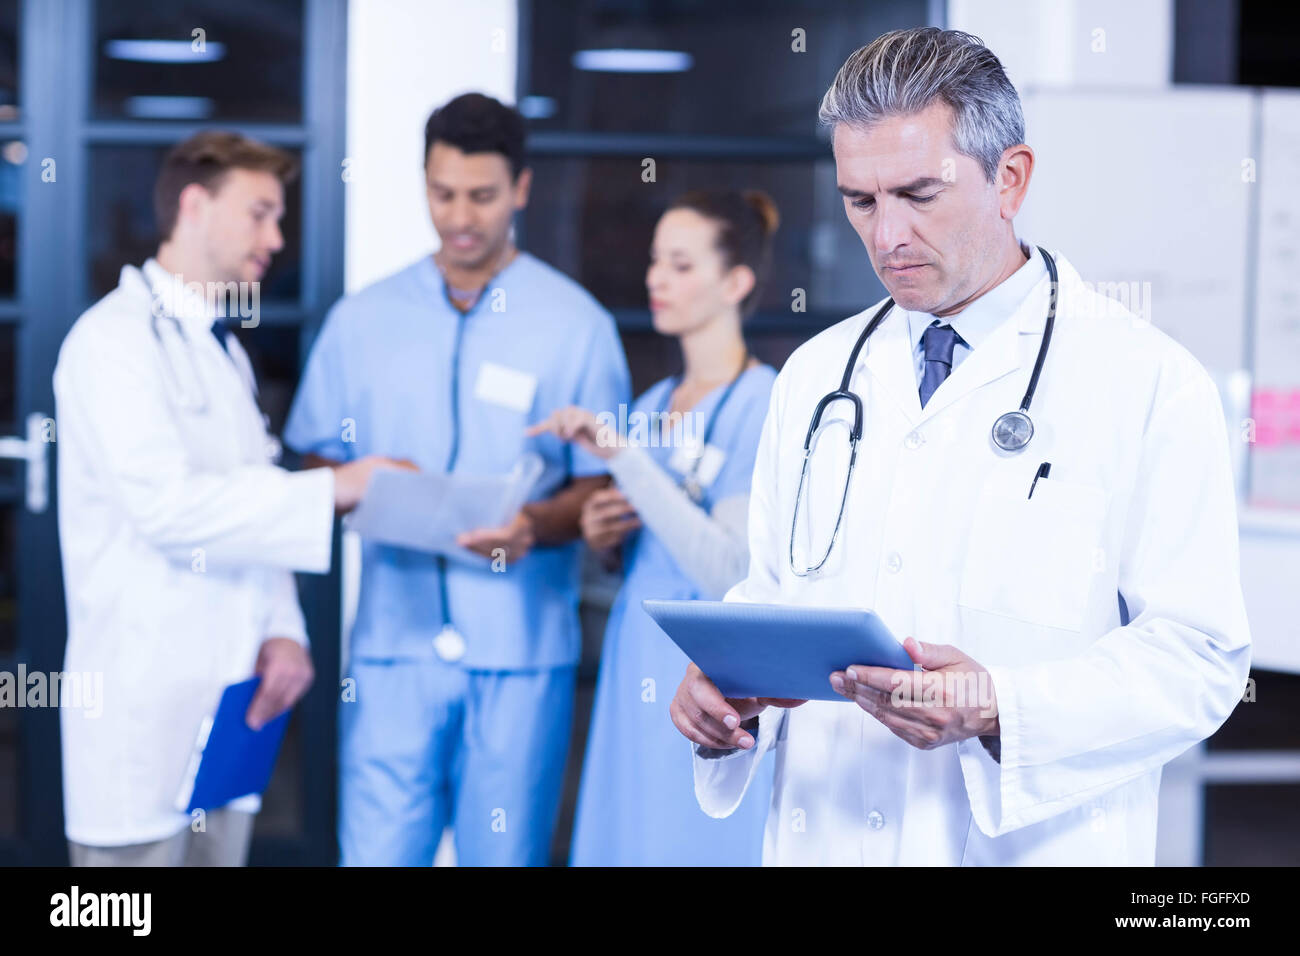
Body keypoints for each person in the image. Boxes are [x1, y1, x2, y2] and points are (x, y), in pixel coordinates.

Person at [670, 27, 1252, 866]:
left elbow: (1199, 659)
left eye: (918, 193)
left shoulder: (1147, 381)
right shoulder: (816, 376)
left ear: (1009, 177)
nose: (887, 236)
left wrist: (1000, 708)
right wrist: (726, 699)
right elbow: (773, 590)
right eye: (861, 201)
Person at [283, 93, 630, 867]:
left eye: (482, 195)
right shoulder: (363, 319)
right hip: (392, 654)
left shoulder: (574, 325)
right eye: (442, 194)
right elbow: (311, 459)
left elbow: (602, 487)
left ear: (522, 189)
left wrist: (534, 528)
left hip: (520, 654)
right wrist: (360, 479)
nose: (460, 217)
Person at [54, 131, 404, 866]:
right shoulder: (110, 341)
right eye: (261, 213)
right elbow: (170, 510)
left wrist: (285, 629)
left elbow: (254, 504)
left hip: (230, 705)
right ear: (194, 205)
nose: (276, 238)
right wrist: (338, 487)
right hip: (141, 709)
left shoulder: (226, 350)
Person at [532, 190, 780, 866]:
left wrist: (625, 460)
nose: (655, 280)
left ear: (736, 283)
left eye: (679, 265)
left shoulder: (767, 406)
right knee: (630, 832)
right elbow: (635, 554)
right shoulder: (648, 407)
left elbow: (728, 569)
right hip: (635, 659)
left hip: (710, 671)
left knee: (697, 836)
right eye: (653, 263)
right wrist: (604, 534)